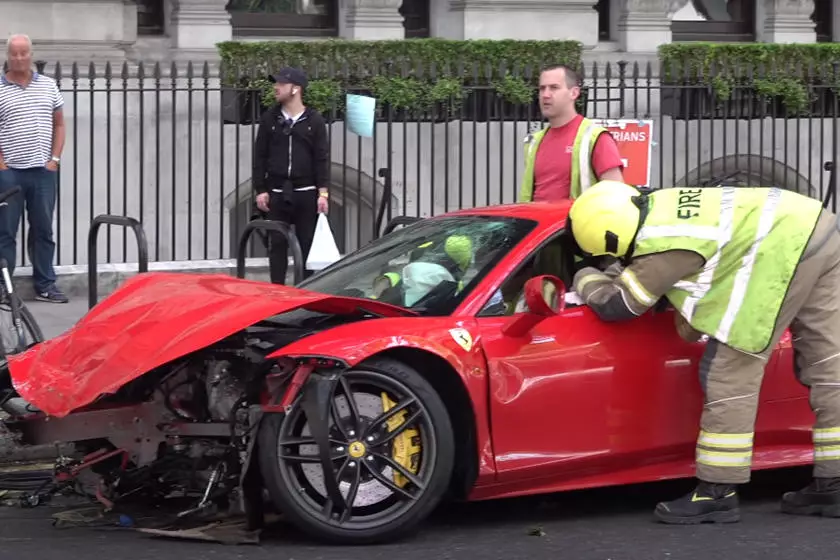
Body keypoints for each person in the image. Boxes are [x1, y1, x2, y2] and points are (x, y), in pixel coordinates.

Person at [567, 180, 840, 524]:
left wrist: (583, 274)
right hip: (817, 224)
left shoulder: (663, 247)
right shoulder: (659, 206)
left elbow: (618, 305)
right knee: (828, 360)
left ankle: (717, 493)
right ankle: (834, 485)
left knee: (731, 369)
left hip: (782, 246)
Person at [0, 34, 67, 303]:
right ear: (7, 56)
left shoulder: (49, 86)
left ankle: (45, 285)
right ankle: (5, 288)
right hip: (10, 172)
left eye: (23, 52)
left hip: (43, 172)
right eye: (14, 53)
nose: (19, 58)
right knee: (5, 232)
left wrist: (55, 160)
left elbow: (60, 124)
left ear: (30, 54)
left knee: (43, 230)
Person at [252, 67, 330, 284]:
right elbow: (260, 156)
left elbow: (321, 158)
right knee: (276, 244)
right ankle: (276, 290)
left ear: (295, 89)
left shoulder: (314, 121)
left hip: (306, 191)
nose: (276, 88)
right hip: (277, 191)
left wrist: (322, 192)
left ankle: (305, 291)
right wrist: (261, 190)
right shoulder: (270, 119)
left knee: (306, 246)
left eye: (281, 84)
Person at [519, 64, 625, 204]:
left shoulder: (595, 138)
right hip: (541, 224)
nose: (545, 94)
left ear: (574, 93)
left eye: (554, 88)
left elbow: (616, 196)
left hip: (577, 225)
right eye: (542, 88)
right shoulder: (534, 142)